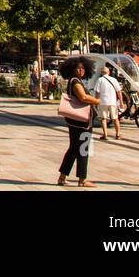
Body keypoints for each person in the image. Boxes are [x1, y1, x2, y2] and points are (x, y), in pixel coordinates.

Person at [56, 56, 100, 187]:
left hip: (74, 121)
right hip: (82, 122)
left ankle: (62, 177)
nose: (81, 70)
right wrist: (98, 101)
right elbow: (83, 97)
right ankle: (82, 180)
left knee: (74, 149)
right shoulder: (75, 82)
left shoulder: (73, 81)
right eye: (78, 68)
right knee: (83, 149)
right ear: (72, 69)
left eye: (83, 68)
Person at [95, 63, 123, 141]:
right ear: (109, 72)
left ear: (101, 73)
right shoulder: (114, 80)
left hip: (103, 102)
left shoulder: (100, 80)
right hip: (112, 102)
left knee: (103, 118)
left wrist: (96, 101)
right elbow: (119, 91)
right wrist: (121, 102)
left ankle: (105, 134)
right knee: (115, 118)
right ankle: (117, 135)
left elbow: (97, 92)